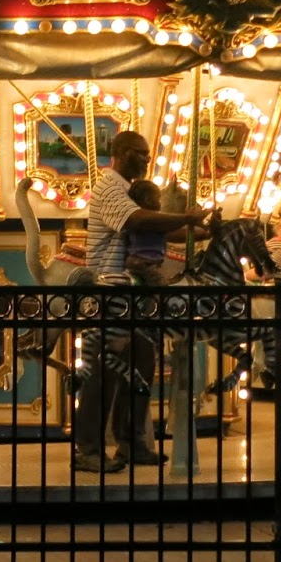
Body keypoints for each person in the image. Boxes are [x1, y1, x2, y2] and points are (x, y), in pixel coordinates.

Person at [79, 131, 211, 474]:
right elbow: (138, 220)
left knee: (141, 366)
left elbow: (156, 229)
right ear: (122, 152)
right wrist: (187, 218)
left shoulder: (128, 190)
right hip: (109, 287)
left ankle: (132, 442)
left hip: (132, 291)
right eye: (141, 153)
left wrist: (205, 231)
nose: (147, 160)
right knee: (103, 371)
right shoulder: (109, 187)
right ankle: (88, 450)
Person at [123, 179, 171, 285]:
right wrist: (188, 218)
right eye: (157, 198)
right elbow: (169, 226)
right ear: (147, 200)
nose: (160, 203)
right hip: (143, 262)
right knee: (160, 284)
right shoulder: (147, 219)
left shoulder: (145, 218)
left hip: (141, 260)